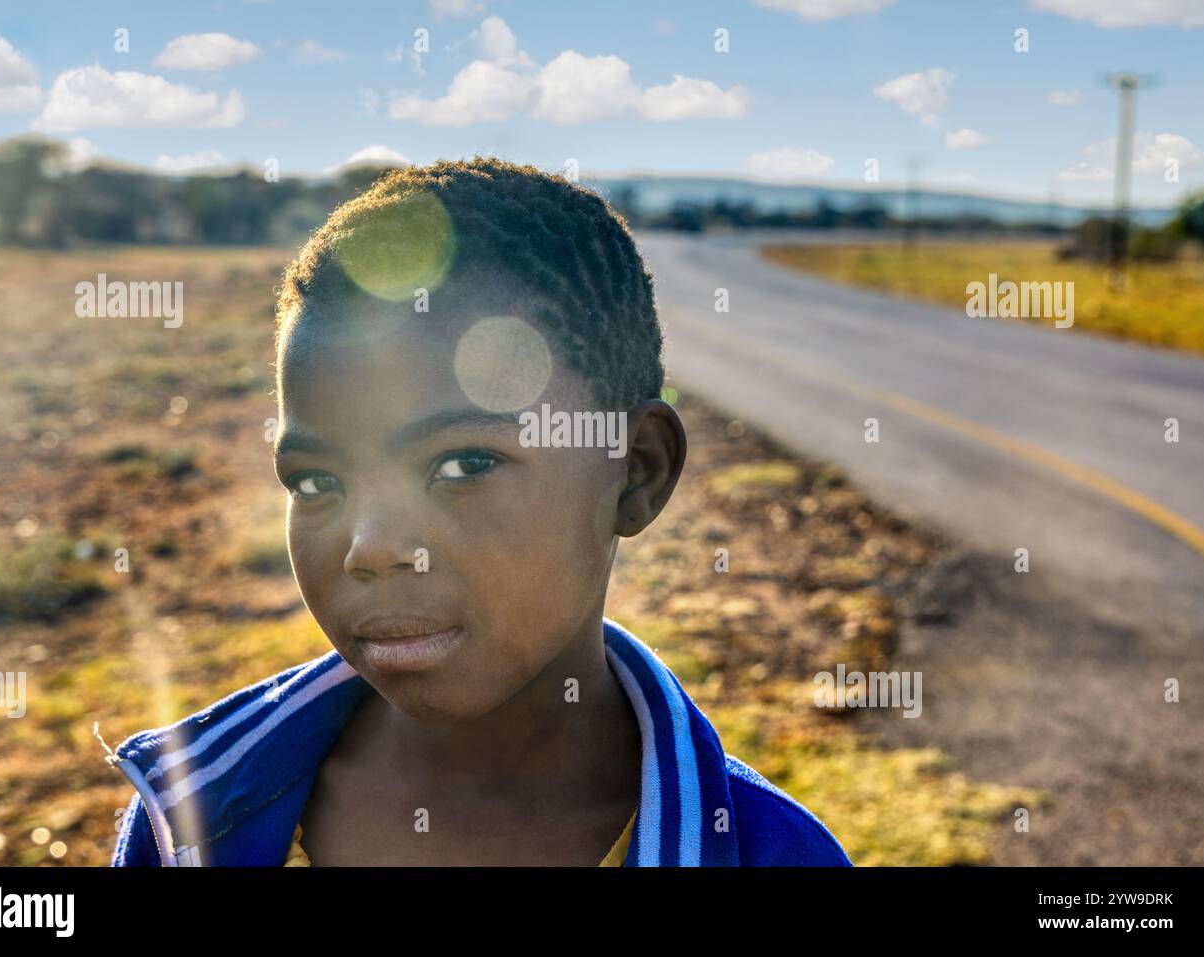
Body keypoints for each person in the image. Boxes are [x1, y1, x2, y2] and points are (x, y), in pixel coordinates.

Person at [107, 157, 851, 867]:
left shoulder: (772, 852)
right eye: (315, 482)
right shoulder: (191, 820)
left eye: (462, 464)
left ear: (637, 472)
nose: (372, 546)